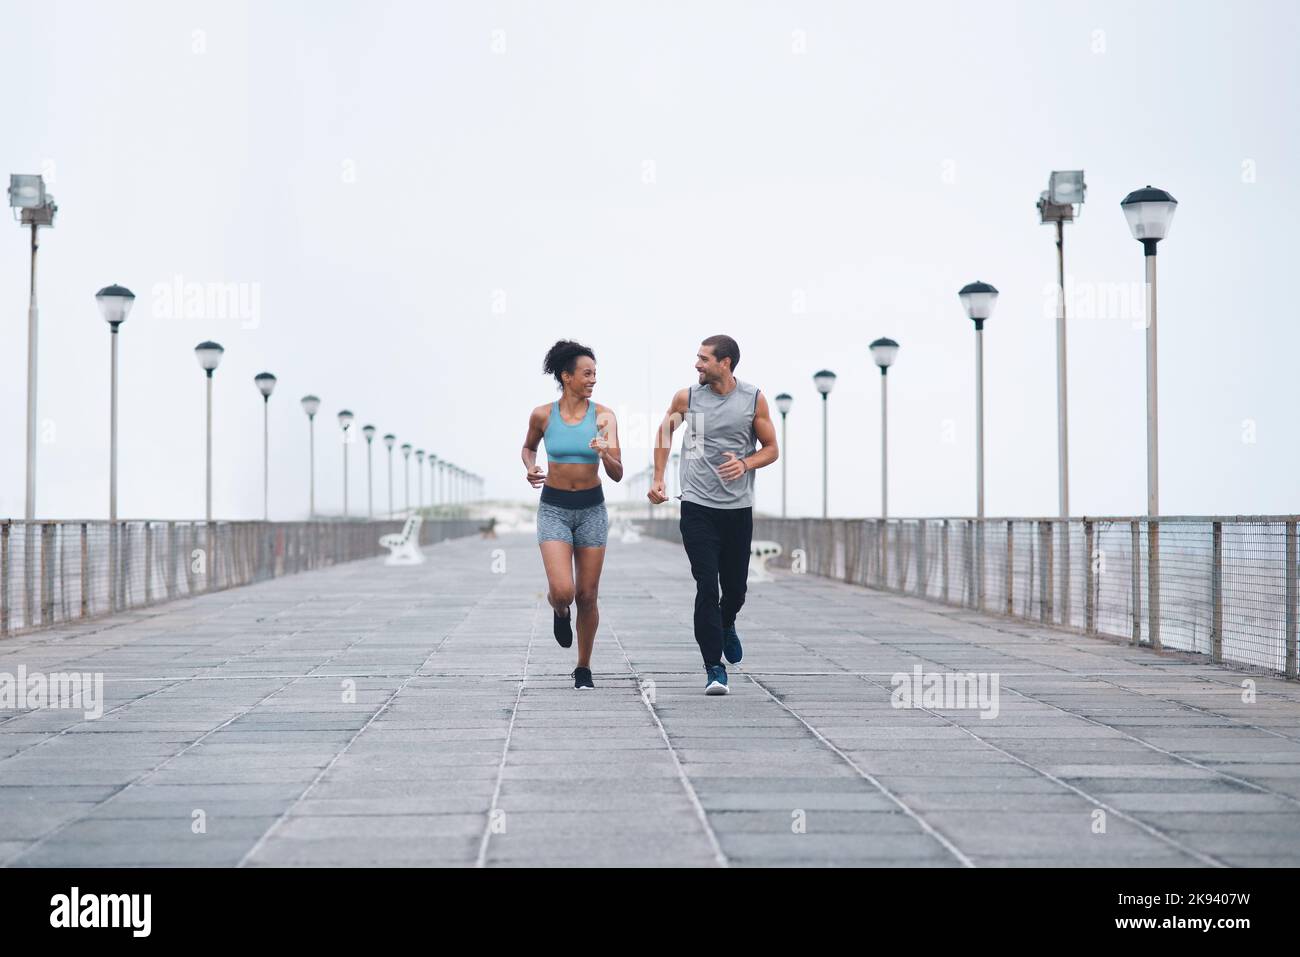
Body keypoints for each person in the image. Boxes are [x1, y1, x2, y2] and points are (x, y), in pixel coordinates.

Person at [648, 335, 778, 695]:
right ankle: (714, 668)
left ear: (726, 363)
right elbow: (664, 434)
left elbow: (772, 449)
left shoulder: (753, 398)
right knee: (707, 586)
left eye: (704, 359)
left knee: (734, 590)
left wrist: (746, 463)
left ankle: (728, 621)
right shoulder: (686, 398)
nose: (697, 365)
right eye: (697, 358)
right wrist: (658, 478)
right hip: (697, 506)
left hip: (737, 510)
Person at [521, 340, 622, 689]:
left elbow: (618, 472)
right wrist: (531, 467)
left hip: (592, 509)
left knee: (588, 595)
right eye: (587, 373)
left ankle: (583, 668)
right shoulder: (542, 415)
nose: (593, 379)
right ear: (566, 376)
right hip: (554, 510)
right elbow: (528, 447)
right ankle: (559, 611)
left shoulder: (604, 416)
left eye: (595, 373)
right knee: (564, 591)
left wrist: (605, 453)